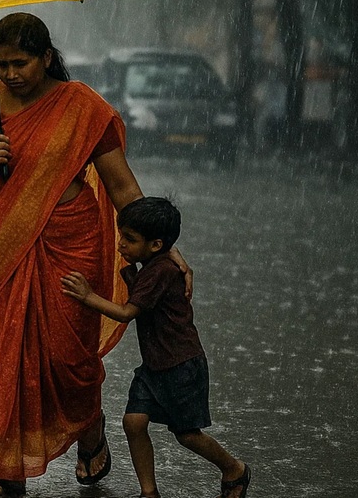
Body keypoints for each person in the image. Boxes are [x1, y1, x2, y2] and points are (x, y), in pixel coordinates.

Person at [0, 12, 190, 497]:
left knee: (66, 360)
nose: (10, 74)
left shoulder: (82, 107)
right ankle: (6, 471)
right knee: (0, 357)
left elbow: (122, 187)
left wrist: (165, 251)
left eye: (20, 63)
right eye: (0, 64)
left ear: (46, 57)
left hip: (70, 245)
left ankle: (89, 427)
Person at [60, 197, 250, 498]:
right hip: (154, 365)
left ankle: (234, 468)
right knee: (133, 423)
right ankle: (149, 492)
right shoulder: (151, 263)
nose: (121, 244)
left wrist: (87, 296)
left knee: (187, 435)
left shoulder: (159, 271)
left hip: (180, 364)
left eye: (130, 240)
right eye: (122, 236)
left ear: (156, 245)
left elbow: (127, 313)